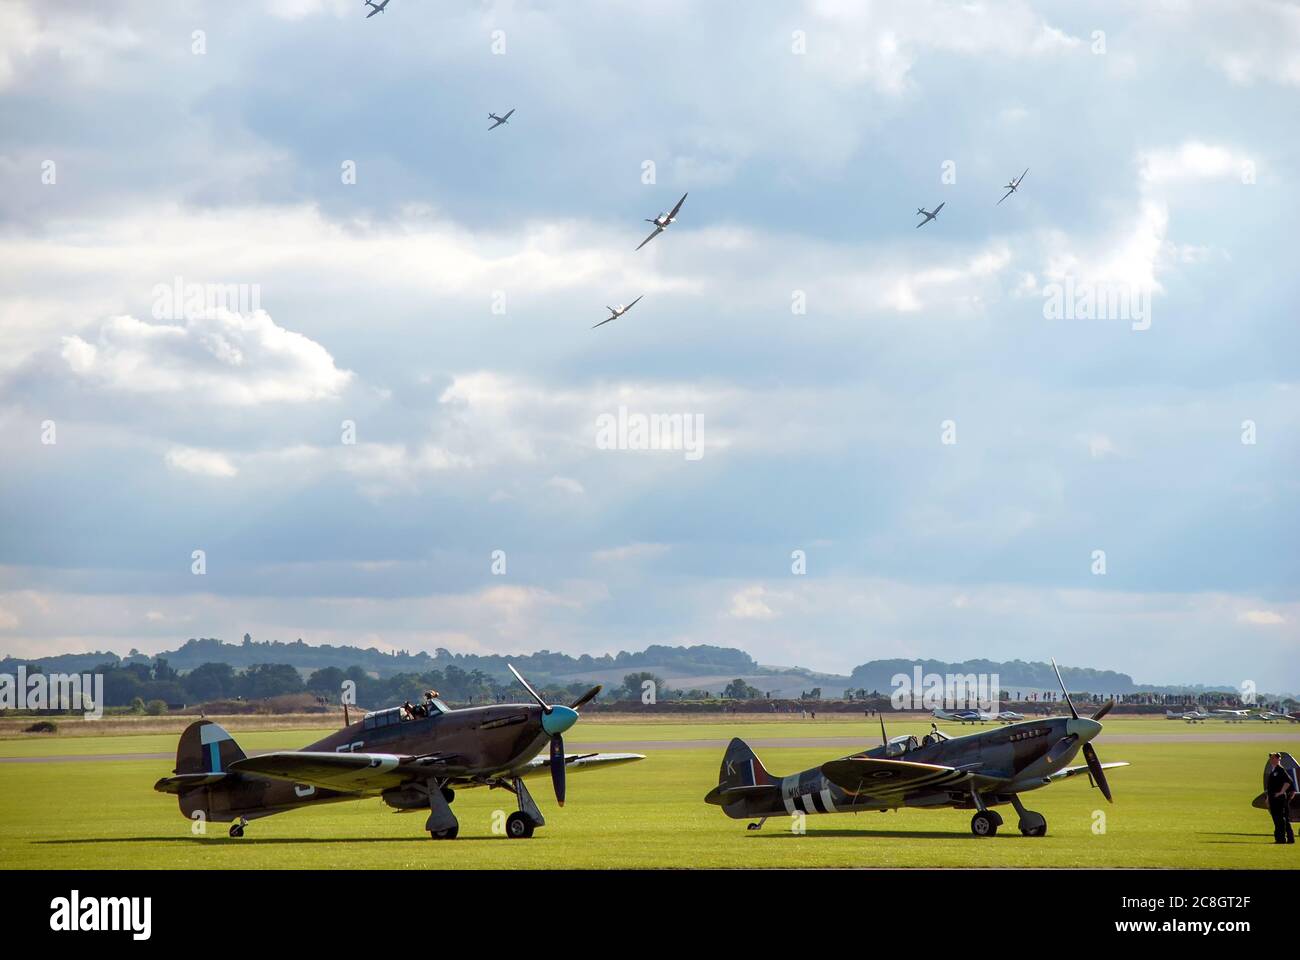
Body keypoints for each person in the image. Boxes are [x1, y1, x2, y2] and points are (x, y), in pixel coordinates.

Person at [1266, 753, 1295, 844]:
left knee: (1279, 819)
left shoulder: (1280, 770)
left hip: (1278, 799)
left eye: (1273, 758)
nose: (1271, 760)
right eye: (1271, 758)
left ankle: (1281, 839)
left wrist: (1281, 792)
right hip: (1274, 798)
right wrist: (1268, 798)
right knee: (1283, 818)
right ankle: (1290, 839)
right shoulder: (1274, 770)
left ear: (1278, 759)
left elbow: (1289, 781)